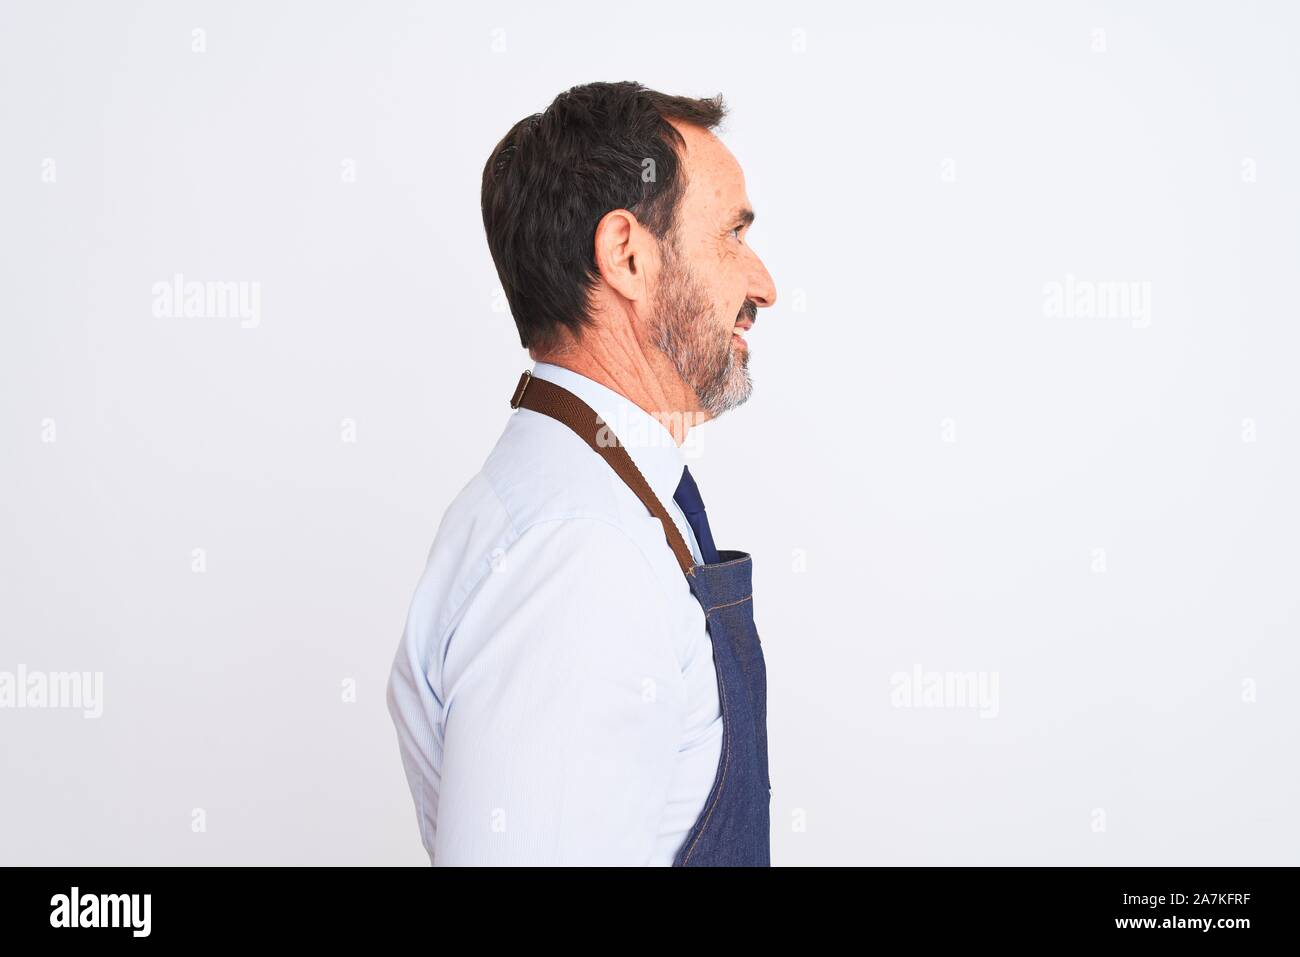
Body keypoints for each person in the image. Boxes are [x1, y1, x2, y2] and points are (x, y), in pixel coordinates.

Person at [386, 81, 778, 865]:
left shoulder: (597, 496)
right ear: (626, 255)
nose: (764, 284)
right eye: (732, 234)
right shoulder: (579, 556)